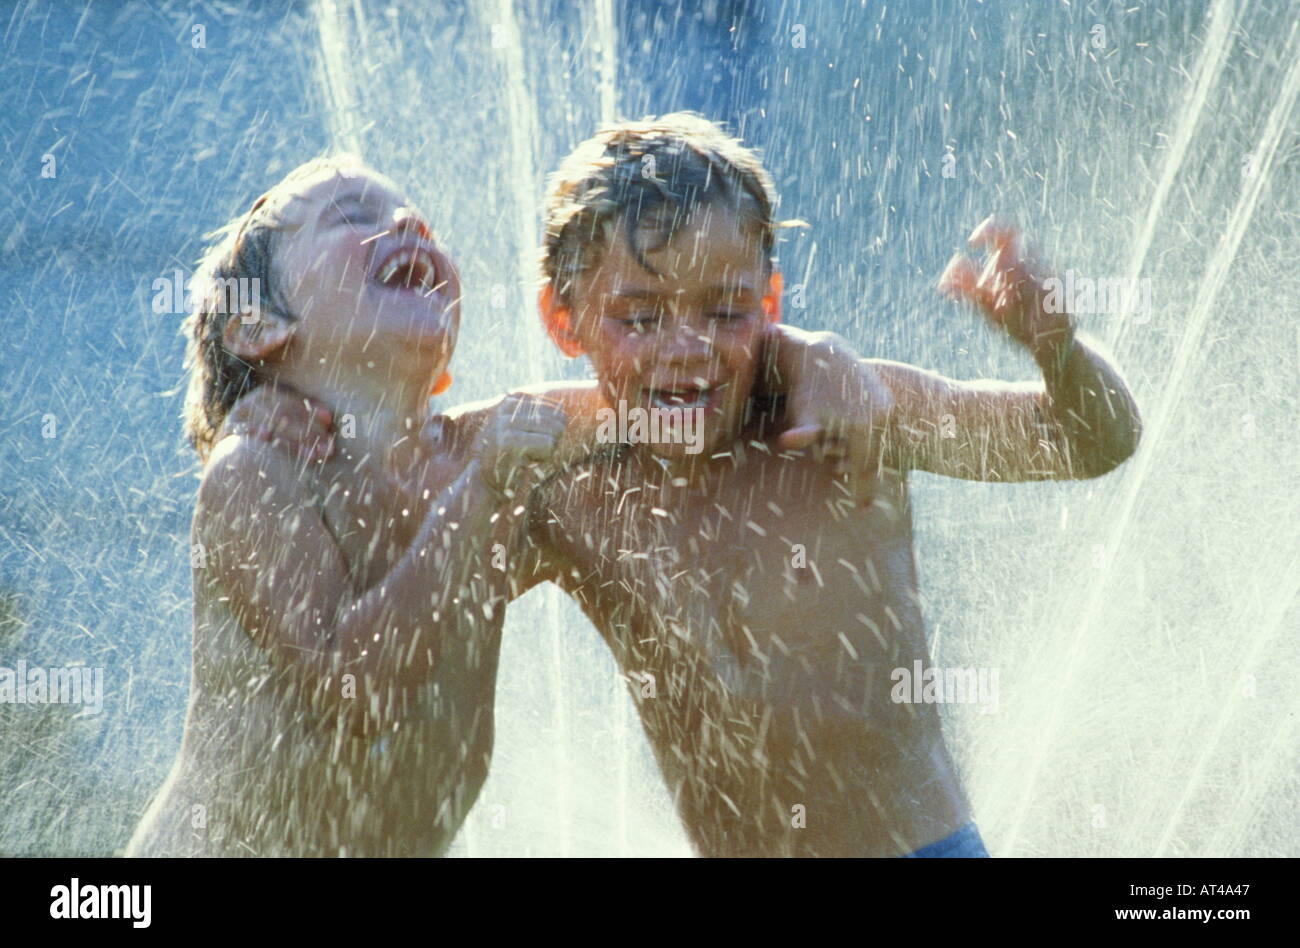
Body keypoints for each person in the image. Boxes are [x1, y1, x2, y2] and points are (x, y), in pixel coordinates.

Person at [246, 114, 1142, 856]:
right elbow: (381, 497)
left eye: (726, 310)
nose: (687, 347)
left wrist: (1057, 350)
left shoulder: (844, 407)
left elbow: (1087, 441)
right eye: (638, 316)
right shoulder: (553, 470)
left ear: (771, 300)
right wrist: (271, 413)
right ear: (563, 318)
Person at [126, 156, 572, 856]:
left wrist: (801, 369)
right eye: (351, 216)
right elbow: (357, 685)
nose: (408, 223)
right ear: (256, 327)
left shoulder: (480, 452)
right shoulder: (258, 472)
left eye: (415, 214)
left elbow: (644, 414)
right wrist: (482, 494)